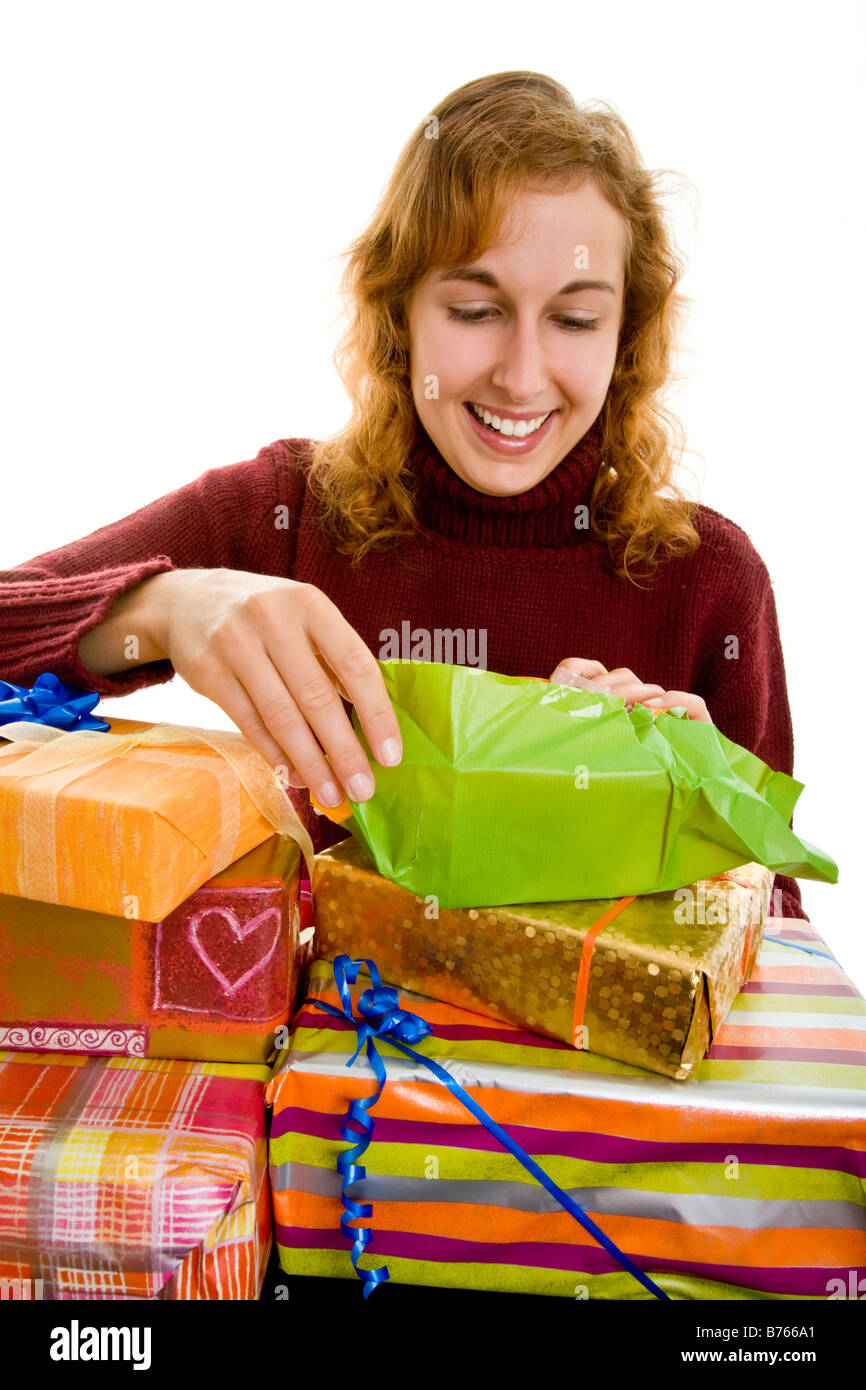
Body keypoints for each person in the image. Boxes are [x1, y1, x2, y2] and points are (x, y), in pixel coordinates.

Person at [0, 70, 808, 919]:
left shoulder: (708, 580)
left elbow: (776, 920)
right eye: (473, 309)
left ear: (626, 336)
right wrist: (159, 609)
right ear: (400, 313)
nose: (521, 376)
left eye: (574, 321)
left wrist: (699, 809)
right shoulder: (282, 515)